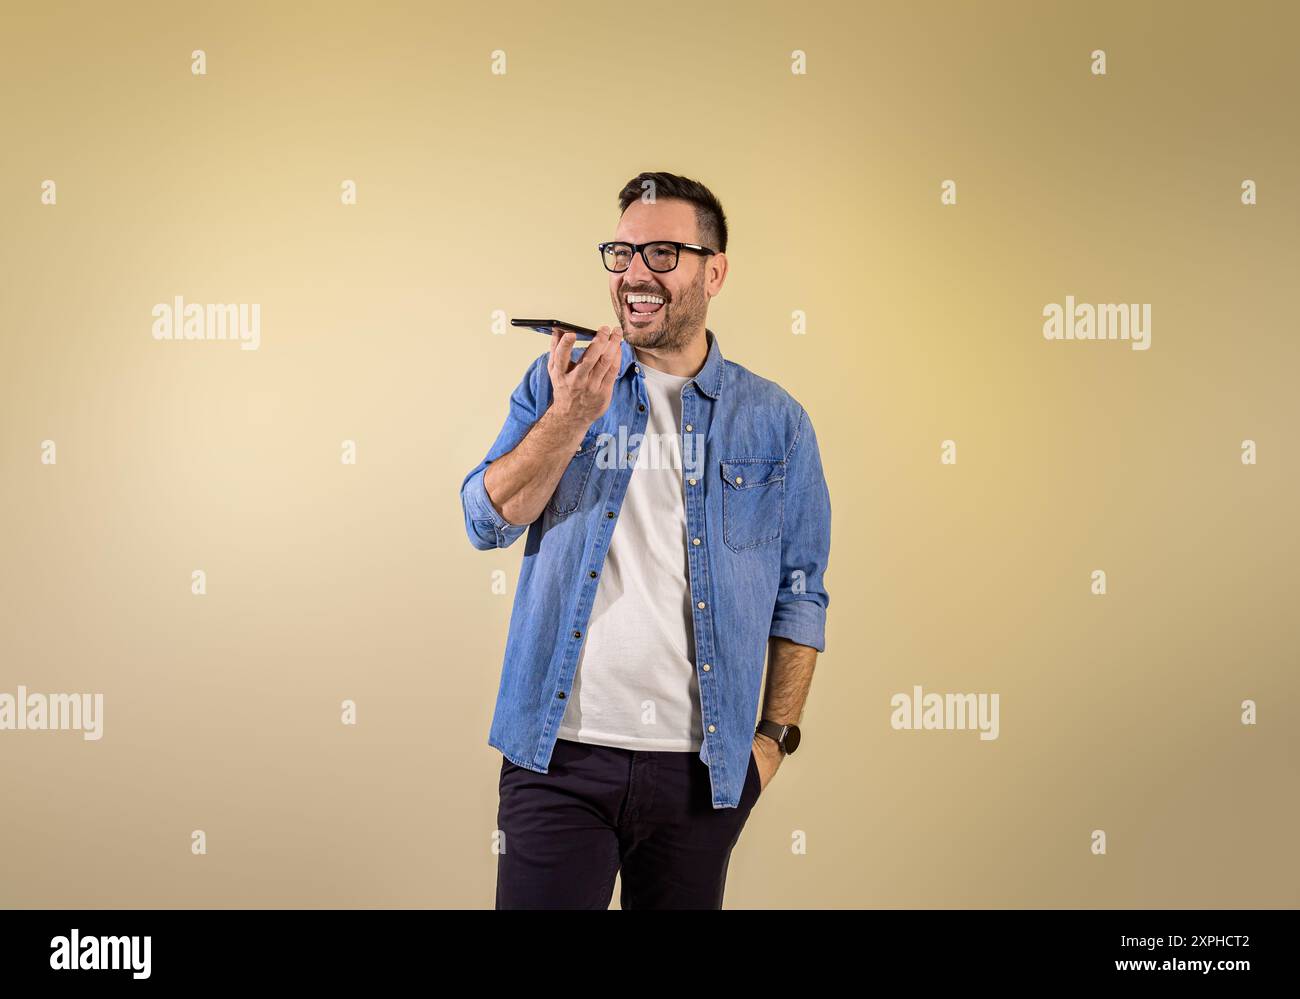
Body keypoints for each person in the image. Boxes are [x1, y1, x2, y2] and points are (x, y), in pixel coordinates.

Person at [460, 171, 832, 908]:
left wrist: (773, 739)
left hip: (699, 774)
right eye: (622, 252)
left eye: (663, 253)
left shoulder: (776, 421)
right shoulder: (557, 383)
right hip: (557, 757)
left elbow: (801, 592)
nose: (635, 273)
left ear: (714, 270)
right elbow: (485, 518)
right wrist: (568, 418)